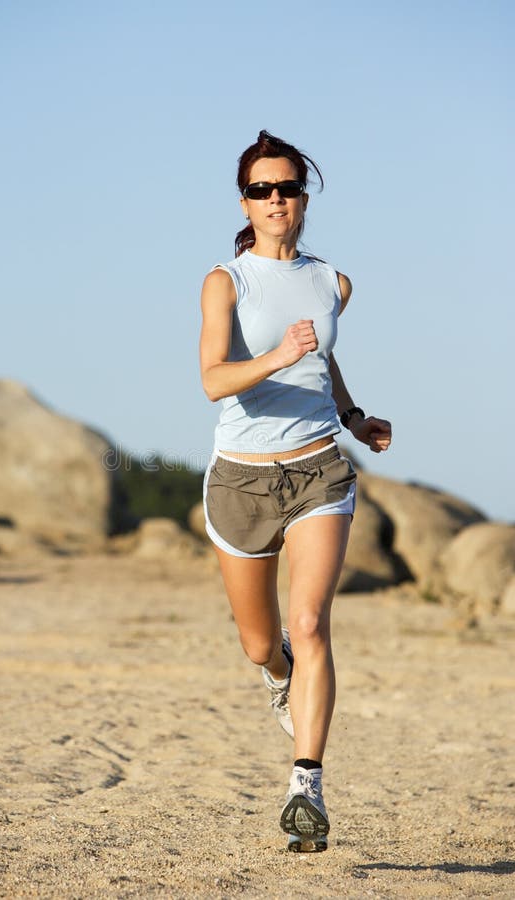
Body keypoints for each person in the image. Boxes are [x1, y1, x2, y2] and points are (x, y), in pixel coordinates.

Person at [199, 130, 392, 852]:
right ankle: (278, 674)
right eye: (261, 190)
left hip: (319, 471)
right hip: (242, 479)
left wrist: (351, 417)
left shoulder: (332, 280)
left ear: (303, 196)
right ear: (244, 201)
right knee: (261, 645)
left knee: (310, 624)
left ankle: (305, 783)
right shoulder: (227, 281)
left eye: (287, 188)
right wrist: (278, 353)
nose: (276, 200)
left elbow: (325, 361)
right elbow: (213, 380)